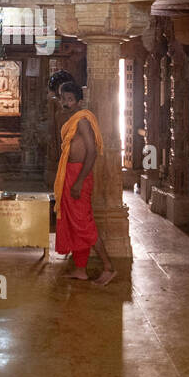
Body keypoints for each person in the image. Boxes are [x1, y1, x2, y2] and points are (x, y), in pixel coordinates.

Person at [54, 82, 116, 285]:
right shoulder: (71, 118)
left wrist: (79, 181)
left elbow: (91, 152)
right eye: (63, 98)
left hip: (79, 175)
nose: (66, 102)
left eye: (70, 99)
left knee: (83, 224)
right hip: (69, 174)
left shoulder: (82, 120)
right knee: (74, 223)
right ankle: (81, 269)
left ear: (79, 101)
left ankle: (108, 266)